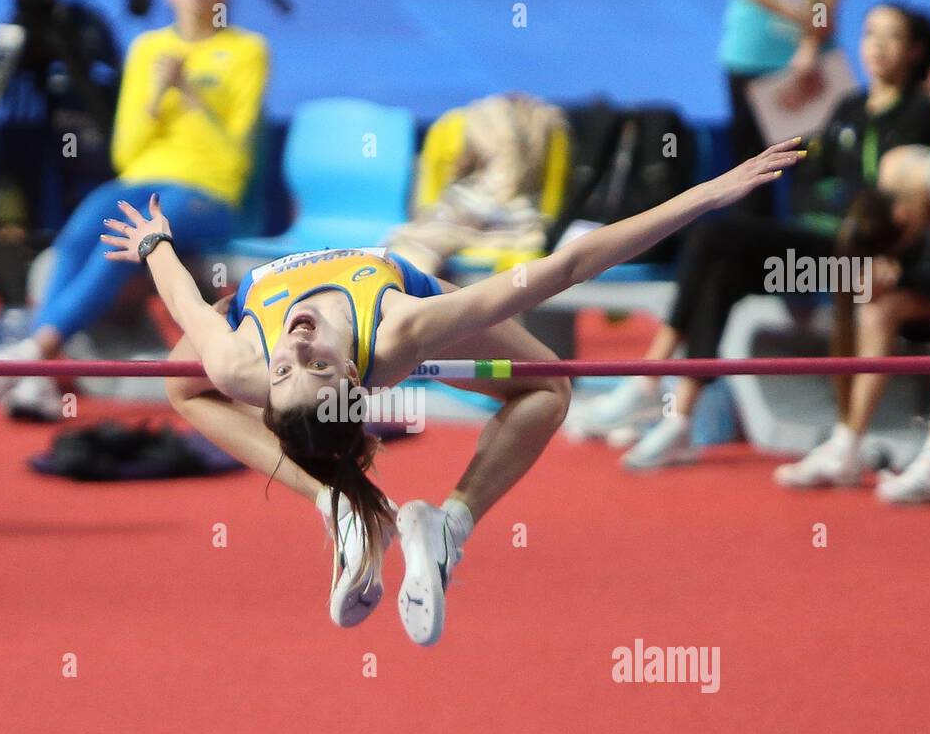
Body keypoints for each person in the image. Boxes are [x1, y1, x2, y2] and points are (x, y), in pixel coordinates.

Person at [97, 142, 805, 645]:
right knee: (547, 389)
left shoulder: (241, 360)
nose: (295, 346)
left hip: (325, 305)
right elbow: (567, 267)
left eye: (286, 367)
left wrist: (156, 244)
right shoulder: (405, 327)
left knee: (180, 382)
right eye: (308, 366)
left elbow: (186, 299)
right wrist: (707, 196)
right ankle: (445, 524)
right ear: (348, 382)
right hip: (400, 286)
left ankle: (339, 503)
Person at [567, 3, 930, 468]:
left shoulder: (922, 116)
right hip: (811, 253)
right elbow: (806, 187)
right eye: (869, 34)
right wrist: (844, 198)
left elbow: (891, 206)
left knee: (718, 239)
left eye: (892, 38)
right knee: (715, 258)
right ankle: (678, 417)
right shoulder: (846, 105)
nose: (877, 47)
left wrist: (847, 204)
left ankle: (652, 380)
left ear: (916, 50)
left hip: (855, 266)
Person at [0, 0, 269, 421]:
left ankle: (36, 355)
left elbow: (236, 154)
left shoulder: (247, 51)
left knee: (131, 234)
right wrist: (157, 93)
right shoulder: (147, 49)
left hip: (209, 193)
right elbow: (125, 151)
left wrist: (189, 93)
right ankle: (38, 372)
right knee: (77, 233)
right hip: (143, 178)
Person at [775, 143, 930, 501]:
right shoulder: (893, 167)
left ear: (905, 217)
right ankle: (847, 444)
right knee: (879, 308)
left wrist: (900, 274)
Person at [714, 0, 851, 217]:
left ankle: (809, 258)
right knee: (750, 169)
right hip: (752, 52)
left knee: (815, 167)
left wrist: (812, 36)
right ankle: (753, 258)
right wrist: (799, 15)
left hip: (813, 53)